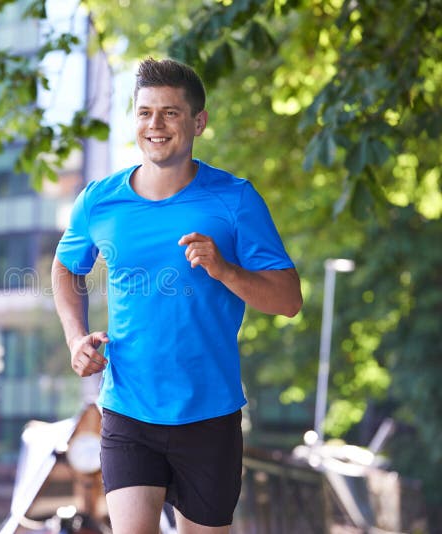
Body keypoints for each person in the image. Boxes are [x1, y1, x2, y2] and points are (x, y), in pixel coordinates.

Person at [51, 58, 303, 534]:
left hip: (209, 413)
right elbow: (65, 268)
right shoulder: (100, 200)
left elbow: (289, 299)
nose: (155, 125)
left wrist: (224, 269)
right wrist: (74, 338)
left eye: (169, 112)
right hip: (128, 406)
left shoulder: (235, 199)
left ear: (198, 122)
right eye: (145, 112)